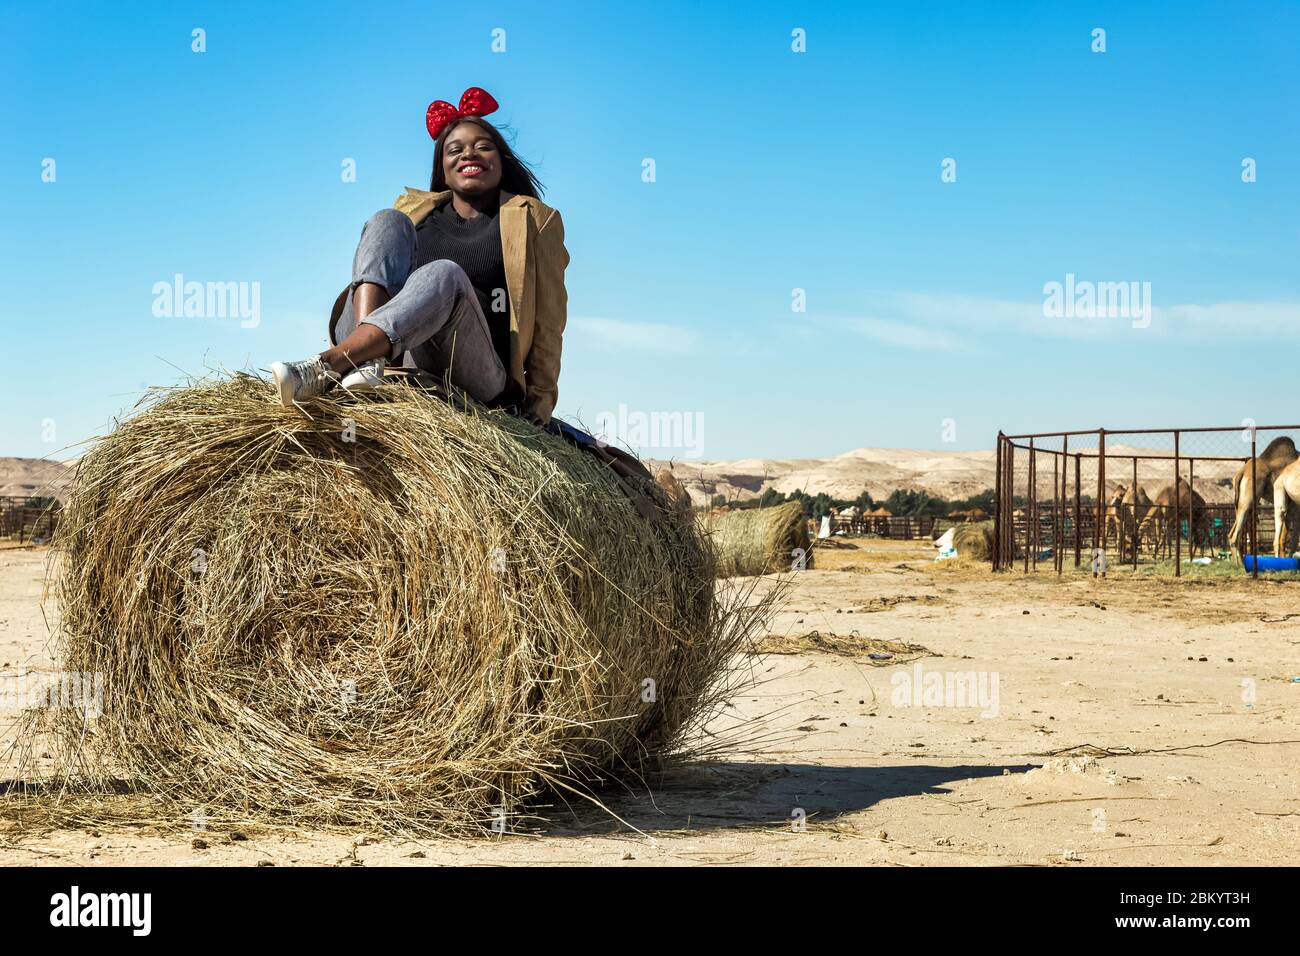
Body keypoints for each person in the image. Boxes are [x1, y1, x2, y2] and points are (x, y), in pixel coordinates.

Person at [271, 87, 569, 425]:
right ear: (442, 168)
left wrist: (537, 410)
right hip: (407, 355)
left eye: (483, 147)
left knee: (445, 274)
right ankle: (367, 363)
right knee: (386, 220)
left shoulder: (534, 220)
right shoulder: (415, 212)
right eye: (455, 149)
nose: (468, 154)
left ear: (501, 161)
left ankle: (329, 364)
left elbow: (549, 323)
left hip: (478, 373)